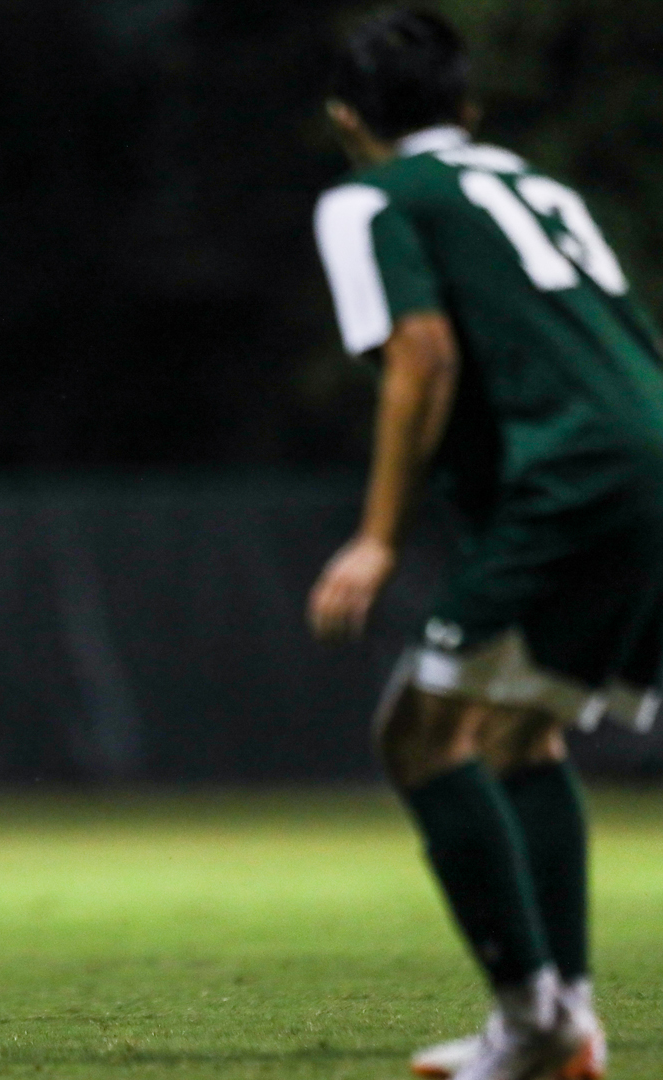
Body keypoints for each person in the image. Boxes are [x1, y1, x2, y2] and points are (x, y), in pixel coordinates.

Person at [309, 9, 663, 1080]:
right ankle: (566, 1020)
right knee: (519, 738)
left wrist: (376, 539)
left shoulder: (366, 197)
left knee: (420, 737)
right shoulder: (531, 181)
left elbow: (422, 351)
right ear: (467, 107)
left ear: (344, 120)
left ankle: (533, 1021)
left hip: (578, 475)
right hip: (646, 451)